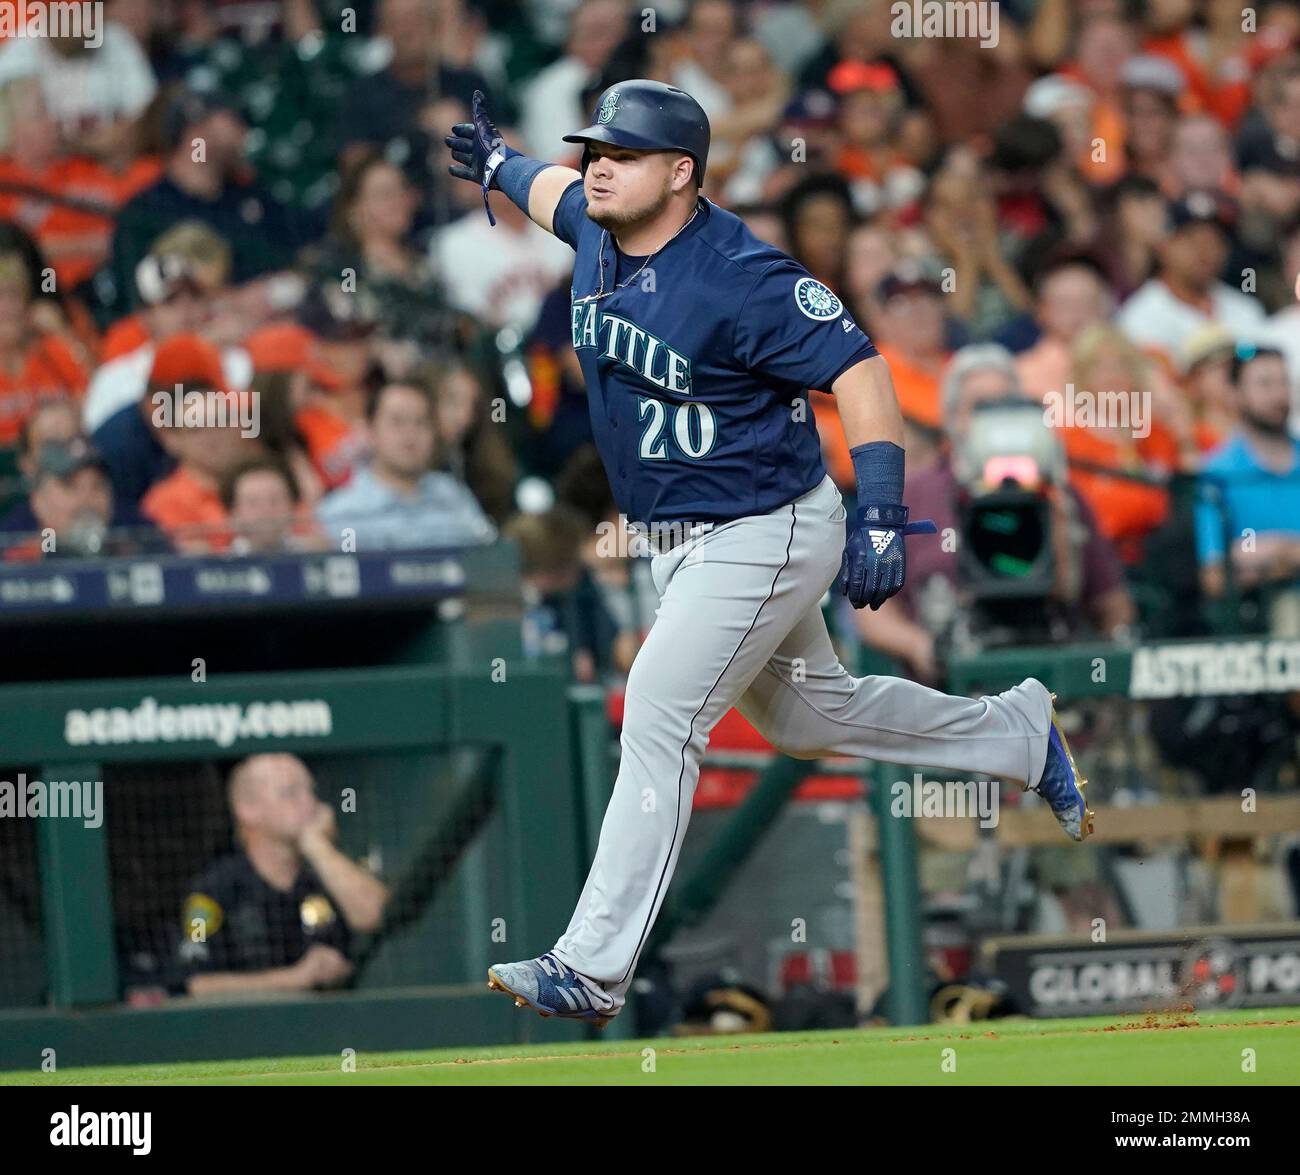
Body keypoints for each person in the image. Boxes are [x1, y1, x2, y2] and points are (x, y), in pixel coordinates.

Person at [445, 80, 1094, 1028]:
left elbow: (862, 370)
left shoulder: (742, 274)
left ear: (680, 172)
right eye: (595, 151)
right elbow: (550, 188)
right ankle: (1016, 734)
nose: (597, 167)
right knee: (807, 716)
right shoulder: (593, 222)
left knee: (660, 713)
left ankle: (591, 962)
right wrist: (502, 165)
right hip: (681, 537)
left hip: (764, 524)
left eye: (621, 154)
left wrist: (879, 507)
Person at [177, 754, 388, 997]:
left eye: (311, 791)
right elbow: (196, 984)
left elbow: (378, 916)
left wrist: (318, 848)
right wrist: (298, 978)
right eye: (290, 793)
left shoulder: (330, 872)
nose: (309, 802)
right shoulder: (216, 889)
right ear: (248, 809)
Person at [315, 379, 496, 551]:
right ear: (370, 431)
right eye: (397, 422)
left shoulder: (453, 497)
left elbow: (489, 558)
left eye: (421, 422)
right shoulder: (340, 514)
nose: (410, 435)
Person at [1195, 345, 1300, 603]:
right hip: (1262, 611)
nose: (1279, 394)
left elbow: (1243, 551)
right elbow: (1216, 571)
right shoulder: (1217, 474)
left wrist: (1265, 551)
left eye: (1284, 382)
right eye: (1264, 384)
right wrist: (1280, 550)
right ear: (1235, 394)